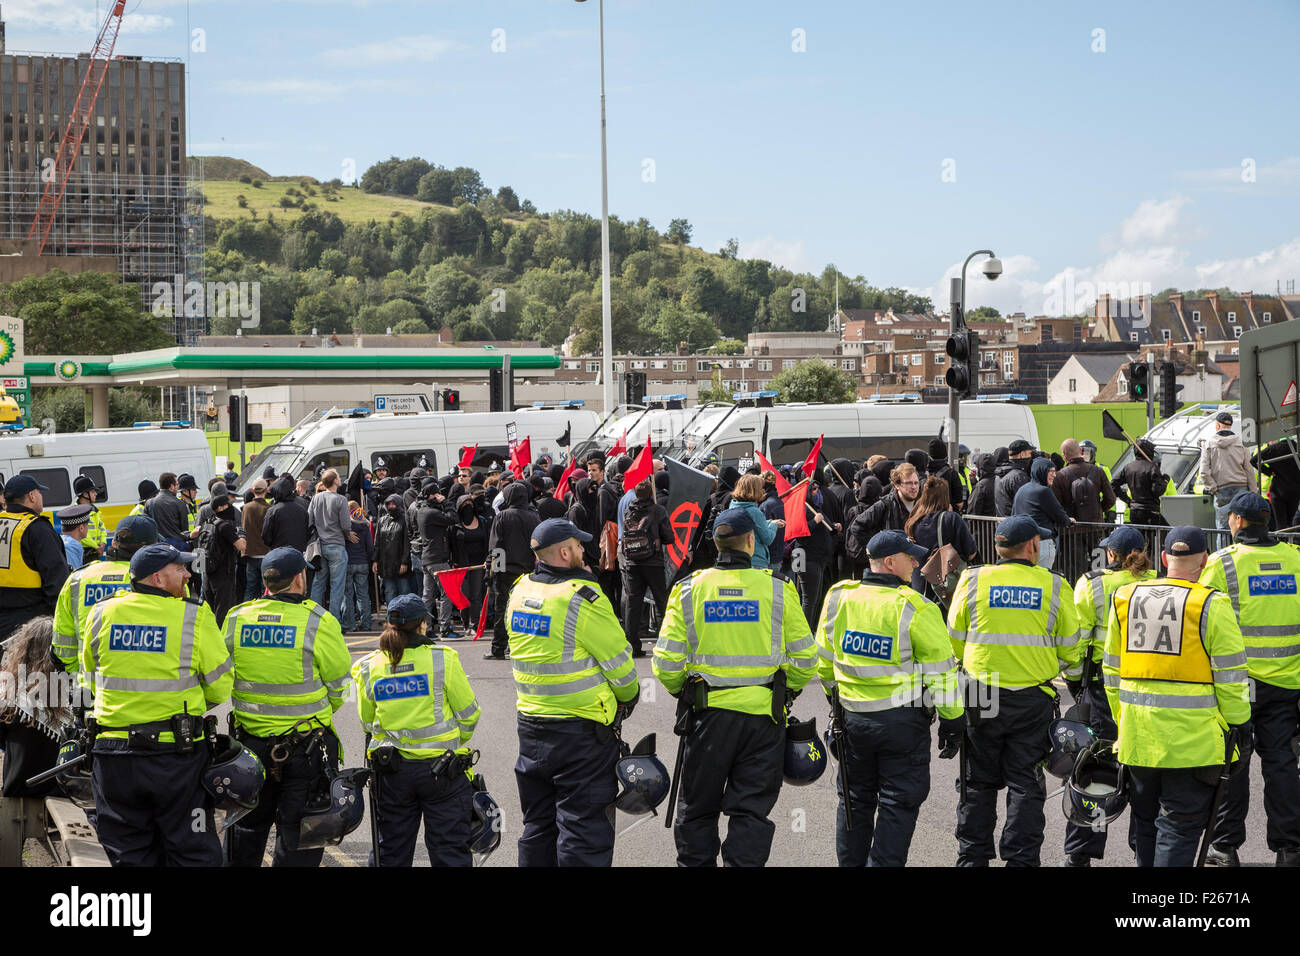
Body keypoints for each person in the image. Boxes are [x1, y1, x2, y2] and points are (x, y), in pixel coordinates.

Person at [652, 506, 816, 867]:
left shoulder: (688, 589)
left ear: (715, 543)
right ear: (751, 541)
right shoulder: (777, 589)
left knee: (697, 810)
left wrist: (685, 691)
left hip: (707, 717)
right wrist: (786, 693)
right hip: (763, 720)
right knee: (751, 813)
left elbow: (665, 665)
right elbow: (806, 660)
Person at [1103, 526, 1251, 867]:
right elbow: (1231, 678)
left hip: (1139, 738)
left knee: (1145, 822)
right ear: (1203, 562)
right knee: (1179, 826)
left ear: (1165, 558)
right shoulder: (1211, 604)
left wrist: (1122, 720)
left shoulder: (1126, 598)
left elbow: (1111, 672)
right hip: (1192, 743)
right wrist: (1239, 724)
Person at [816, 530, 963, 866]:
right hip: (901, 725)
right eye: (910, 557)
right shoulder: (916, 608)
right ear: (889, 562)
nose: (915, 563)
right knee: (898, 804)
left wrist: (836, 699)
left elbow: (823, 662)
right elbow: (942, 674)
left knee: (854, 800)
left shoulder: (839, 597)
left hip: (851, 721)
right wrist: (953, 720)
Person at [81, 543, 234, 866]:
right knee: (192, 851)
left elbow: (91, 678)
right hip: (175, 759)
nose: (187, 574)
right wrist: (185, 704)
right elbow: (220, 685)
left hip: (113, 757)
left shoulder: (101, 613)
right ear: (158, 578)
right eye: (180, 568)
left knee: (127, 852)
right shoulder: (193, 615)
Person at [945, 515, 1081, 866]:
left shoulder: (973, 579)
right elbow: (1070, 648)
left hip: (980, 694)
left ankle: (972, 858)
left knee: (977, 782)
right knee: (1025, 784)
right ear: (1034, 545)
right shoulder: (1053, 585)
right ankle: (1021, 860)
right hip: (1031, 698)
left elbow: (955, 640)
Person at [508, 518, 640, 866]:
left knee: (538, 824)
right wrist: (628, 697)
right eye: (579, 546)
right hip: (582, 734)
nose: (585, 550)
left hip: (531, 726)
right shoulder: (583, 598)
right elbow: (620, 664)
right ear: (565, 552)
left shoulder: (520, 590)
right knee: (584, 832)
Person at [221, 547, 352, 867]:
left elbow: (221, 674)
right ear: (298, 578)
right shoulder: (318, 620)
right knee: (299, 838)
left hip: (248, 748)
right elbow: (338, 686)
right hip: (305, 748)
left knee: (245, 829)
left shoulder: (237, 617)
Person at [1199, 492, 1300, 866]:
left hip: (1236, 685)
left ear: (1239, 521)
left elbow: (1203, 624)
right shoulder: (1295, 560)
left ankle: (1224, 847)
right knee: (1281, 763)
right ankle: (1290, 848)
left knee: (1233, 762)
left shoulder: (1221, 564)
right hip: (1286, 683)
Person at [352, 594, 481, 867]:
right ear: (422, 624)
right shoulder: (442, 659)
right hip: (443, 770)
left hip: (392, 772)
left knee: (391, 852)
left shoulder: (369, 665)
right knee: (450, 852)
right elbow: (469, 714)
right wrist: (457, 740)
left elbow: (367, 721)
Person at [1060, 525, 1155, 867]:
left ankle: (1081, 852)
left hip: (1102, 687)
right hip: (1147, 685)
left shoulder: (1093, 583)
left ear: (1111, 554)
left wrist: (1074, 683)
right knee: (1144, 768)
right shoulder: (1157, 582)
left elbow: (1077, 640)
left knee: (1095, 770)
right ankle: (1144, 850)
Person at [52, 515, 159, 677]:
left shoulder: (78, 578)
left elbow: (62, 642)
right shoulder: (157, 579)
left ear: (115, 543)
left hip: (88, 682)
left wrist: (79, 674)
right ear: (152, 547)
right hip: (143, 680)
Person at [0, 616, 73, 799]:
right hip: (62, 793)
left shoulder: (10, 694)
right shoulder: (75, 696)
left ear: (23, 650)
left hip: (18, 791)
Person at [1, 475, 70, 643]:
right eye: (40, 492)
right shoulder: (36, 528)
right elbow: (56, 581)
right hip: (29, 625)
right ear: (32, 496)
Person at [486, 480, 539, 661]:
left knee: (503, 609)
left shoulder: (502, 517)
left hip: (507, 571)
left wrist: (493, 572)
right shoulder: (534, 517)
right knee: (527, 609)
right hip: (529, 572)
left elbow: (496, 548)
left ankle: (499, 648)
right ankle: (524, 646)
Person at [620, 478, 674, 657]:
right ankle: (666, 643)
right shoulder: (658, 510)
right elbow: (669, 536)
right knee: (661, 602)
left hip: (632, 562)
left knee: (633, 604)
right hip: (653, 562)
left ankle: (633, 646)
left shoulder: (629, 510)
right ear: (651, 494)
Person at [903, 477, 978, 605]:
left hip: (920, 587)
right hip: (945, 588)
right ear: (945, 496)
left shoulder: (912, 522)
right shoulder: (951, 519)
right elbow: (971, 552)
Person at [846, 462, 921, 565]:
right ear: (896, 485)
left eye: (916, 483)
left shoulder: (923, 505)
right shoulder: (885, 505)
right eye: (908, 483)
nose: (914, 487)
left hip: (917, 563)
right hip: (894, 566)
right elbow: (857, 526)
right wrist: (878, 548)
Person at [307, 468, 354, 620]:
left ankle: (314, 617)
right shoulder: (340, 499)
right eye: (338, 477)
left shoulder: (316, 498)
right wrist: (348, 534)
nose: (340, 479)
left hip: (320, 546)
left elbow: (310, 520)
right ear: (335, 481)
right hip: (337, 545)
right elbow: (346, 525)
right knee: (337, 585)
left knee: (318, 583)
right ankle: (333, 620)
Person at [414, 478, 457, 640]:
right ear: (432, 496)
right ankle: (445, 628)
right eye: (437, 494)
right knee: (447, 593)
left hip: (427, 558)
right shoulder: (432, 513)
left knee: (428, 595)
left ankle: (426, 628)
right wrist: (446, 502)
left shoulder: (421, 511)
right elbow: (453, 518)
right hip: (438, 557)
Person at [1012, 457, 1073, 570]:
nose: (1054, 475)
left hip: (1021, 545)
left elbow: (1014, 514)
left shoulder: (1022, 490)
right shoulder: (1044, 491)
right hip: (1041, 544)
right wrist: (1069, 520)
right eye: (1051, 471)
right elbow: (1060, 516)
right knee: (1041, 582)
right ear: (1041, 471)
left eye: (1055, 471)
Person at [1199, 411, 1256, 530]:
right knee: (1241, 526)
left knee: (1222, 528)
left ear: (1217, 425)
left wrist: (1214, 488)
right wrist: (1253, 492)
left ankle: (1224, 548)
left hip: (1221, 489)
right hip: (1241, 488)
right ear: (1230, 426)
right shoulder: (1241, 442)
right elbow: (1249, 470)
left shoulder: (1209, 444)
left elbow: (1204, 472)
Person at [199, 494, 246, 627]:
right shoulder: (225, 526)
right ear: (220, 507)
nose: (230, 507)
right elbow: (241, 546)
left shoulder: (208, 522)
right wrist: (241, 534)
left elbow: (194, 535)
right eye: (228, 504)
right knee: (224, 611)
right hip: (224, 574)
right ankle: (220, 640)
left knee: (210, 609)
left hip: (208, 573)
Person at [450, 495, 489, 634]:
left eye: (470, 503)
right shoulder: (455, 525)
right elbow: (451, 544)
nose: (468, 506)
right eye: (464, 504)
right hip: (462, 564)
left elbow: (488, 541)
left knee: (476, 594)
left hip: (480, 564)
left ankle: (475, 624)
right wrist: (453, 561)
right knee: (464, 595)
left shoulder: (482, 522)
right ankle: (465, 623)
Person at [1053, 438, 1116, 524]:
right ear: (1080, 450)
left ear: (1064, 455)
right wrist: (1098, 509)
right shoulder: (1099, 471)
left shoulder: (1059, 476)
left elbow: (1055, 506)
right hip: (1096, 527)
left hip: (1071, 530)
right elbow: (1111, 499)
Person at [1111, 440, 1170, 526]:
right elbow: (1157, 491)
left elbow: (1113, 484)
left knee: (1139, 538)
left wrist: (1128, 501)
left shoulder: (1128, 467)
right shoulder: (1152, 468)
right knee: (1167, 533)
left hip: (1134, 512)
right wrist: (1165, 481)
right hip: (1151, 512)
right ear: (1148, 451)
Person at [1253, 438, 1300, 532]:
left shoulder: (1273, 449)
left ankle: (1282, 542)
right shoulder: (1296, 447)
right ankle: (1290, 544)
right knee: (1290, 523)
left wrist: (1269, 472)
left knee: (1280, 526)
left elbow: (1253, 460)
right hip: (1295, 491)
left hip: (1278, 492)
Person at [375, 494, 411, 606]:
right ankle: (392, 618)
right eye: (389, 504)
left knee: (404, 592)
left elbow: (407, 542)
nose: (391, 506)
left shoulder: (405, 519)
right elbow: (377, 542)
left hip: (400, 562)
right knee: (389, 591)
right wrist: (375, 560)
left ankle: (405, 620)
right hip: (385, 563)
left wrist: (405, 562)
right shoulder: (382, 521)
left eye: (393, 503)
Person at [241, 479, 271, 602]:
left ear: (252, 490)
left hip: (251, 554)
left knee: (250, 589)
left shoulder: (246, 508)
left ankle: (245, 614)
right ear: (266, 490)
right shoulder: (269, 508)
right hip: (266, 553)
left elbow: (243, 530)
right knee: (265, 589)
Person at [145, 472, 190, 550]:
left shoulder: (149, 503)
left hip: (157, 547)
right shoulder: (180, 504)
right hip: (176, 548)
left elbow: (147, 527)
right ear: (172, 486)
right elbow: (184, 531)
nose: (178, 487)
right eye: (177, 485)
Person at [994, 439, 1035, 517]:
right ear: (1022, 454)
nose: (1031, 456)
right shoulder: (1018, 476)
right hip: (1017, 523)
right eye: (1029, 453)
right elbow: (1026, 504)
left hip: (1005, 523)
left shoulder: (999, 474)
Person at [71, 474, 108, 561]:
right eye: (92, 491)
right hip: (83, 554)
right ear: (85, 494)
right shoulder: (75, 512)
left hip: (94, 552)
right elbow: (79, 534)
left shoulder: (95, 511)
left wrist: (103, 543)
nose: (96, 493)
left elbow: (102, 529)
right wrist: (96, 547)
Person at [58, 503, 92, 570]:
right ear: (81, 528)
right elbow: (74, 576)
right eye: (87, 524)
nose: (88, 527)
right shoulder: (72, 546)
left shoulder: (60, 540)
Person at [965, 453, 998, 518]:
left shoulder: (981, 486)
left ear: (980, 468)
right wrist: (974, 482)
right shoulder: (998, 481)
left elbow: (972, 512)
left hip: (982, 526)